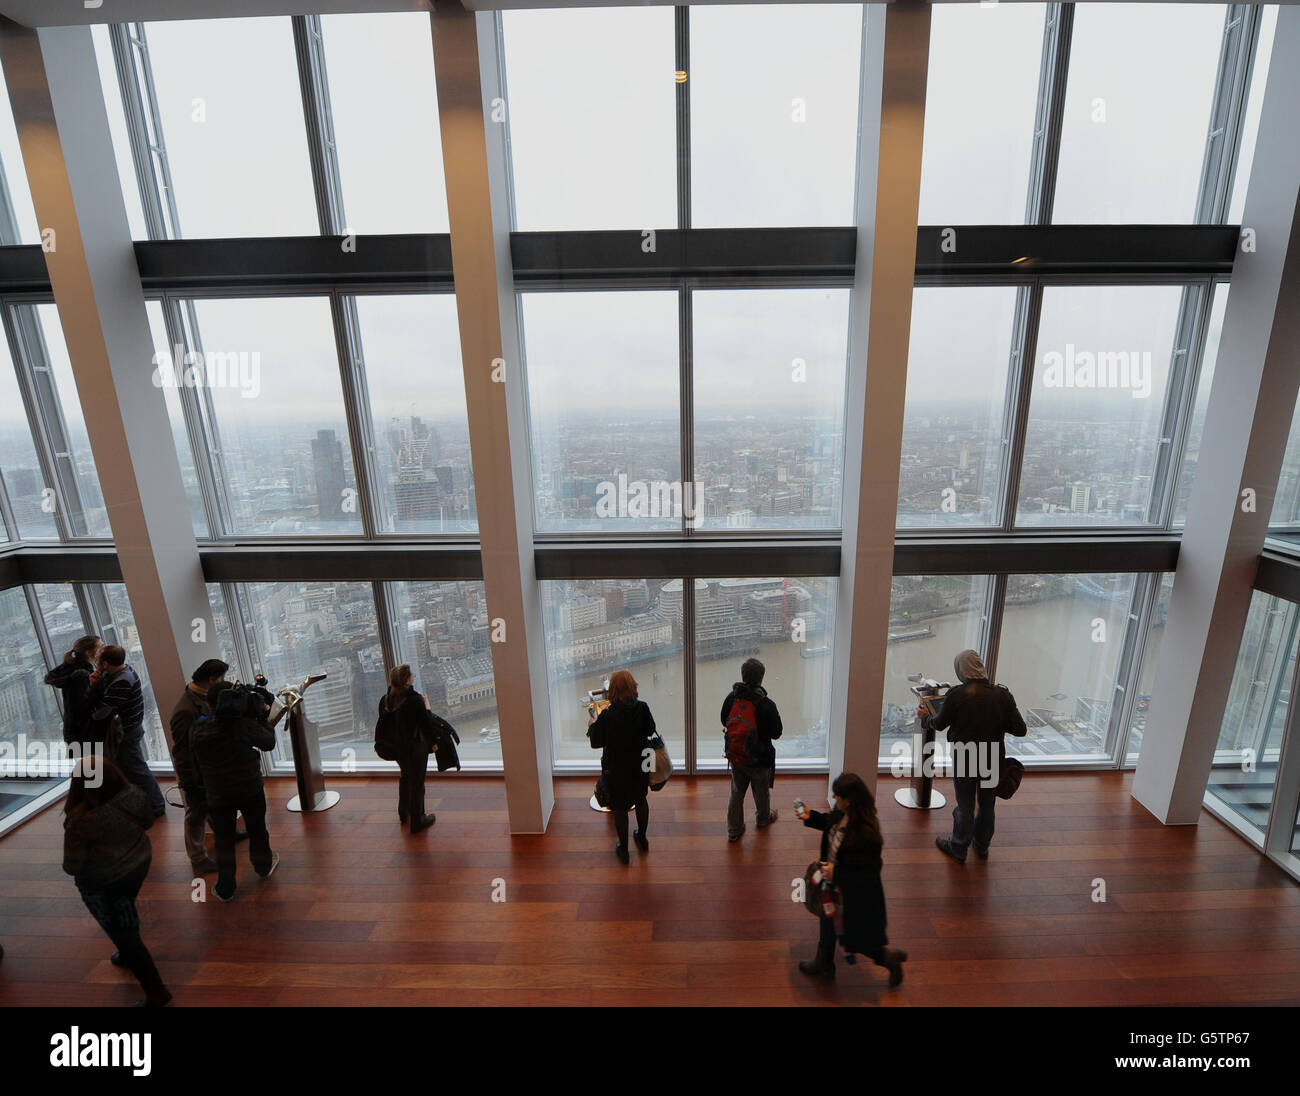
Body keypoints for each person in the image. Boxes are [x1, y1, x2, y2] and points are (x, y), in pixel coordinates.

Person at [61, 754, 171, 1007]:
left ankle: (156, 992)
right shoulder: (135, 794)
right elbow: (148, 821)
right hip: (138, 863)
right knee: (125, 907)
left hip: (104, 882)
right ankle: (127, 948)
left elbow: (72, 866)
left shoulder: (80, 821)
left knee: (123, 931)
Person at [918, 648, 1028, 864]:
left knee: (965, 803)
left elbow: (939, 724)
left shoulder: (957, 695)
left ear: (961, 670)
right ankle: (982, 846)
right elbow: (1020, 729)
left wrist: (925, 718)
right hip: (993, 757)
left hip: (965, 756)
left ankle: (958, 847)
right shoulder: (1003, 695)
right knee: (988, 804)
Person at [795, 772, 906, 986]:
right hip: (834, 886)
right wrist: (810, 816)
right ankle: (824, 961)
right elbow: (829, 823)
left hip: (852, 894)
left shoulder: (866, 834)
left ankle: (888, 959)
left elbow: (869, 872)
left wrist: (837, 873)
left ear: (849, 800)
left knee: (858, 938)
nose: (834, 799)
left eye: (838, 796)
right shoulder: (842, 813)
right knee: (828, 921)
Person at [193, 680, 278, 902]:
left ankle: (226, 886)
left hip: (217, 792)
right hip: (249, 787)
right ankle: (262, 867)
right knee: (257, 829)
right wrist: (261, 718)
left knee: (223, 840)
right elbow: (268, 742)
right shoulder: (242, 725)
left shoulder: (199, 726)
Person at [169, 659, 230, 875]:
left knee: (210, 803)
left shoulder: (201, 699)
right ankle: (197, 857)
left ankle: (224, 834)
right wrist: (189, 780)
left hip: (208, 767)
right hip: (197, 771)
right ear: (212, 679)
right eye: (222, 679)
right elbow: (183, 751)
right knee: (196, 813)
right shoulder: (185, 711)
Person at [89, 645, 164, 818]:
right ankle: (148, 804)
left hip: (126, 732)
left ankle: (156, 806)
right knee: (133, 769)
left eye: (99, 660)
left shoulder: (121, 681)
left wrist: (93, 689)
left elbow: (101, 712)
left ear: (106, 663)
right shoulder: (124, 672)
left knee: (137, 770)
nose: (96, 663)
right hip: (130, 729)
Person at [588, 669, 654, 864]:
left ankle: (624, 850)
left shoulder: (608, 715)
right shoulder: (642, 708)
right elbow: (650, 729)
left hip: (616, 768)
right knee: (641, 799)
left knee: (619, 807)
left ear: (613, 691)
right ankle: (642, 838)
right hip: (640, 764)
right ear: (633, 686)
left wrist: (592, 723)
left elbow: (596, 742)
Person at [379, 664, 451, 834]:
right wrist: (427, 705)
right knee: (417, 782)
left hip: (395, 748)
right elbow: (426, 724)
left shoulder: (386, 699)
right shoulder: (415, 700)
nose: (414, 676)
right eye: (411, 674)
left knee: (405, 776)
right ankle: (418, 820)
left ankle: (403, 813)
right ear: (406, 680)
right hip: (414, 748)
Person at [721, 657, 783, 842]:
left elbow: (724, 720)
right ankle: (763, 818)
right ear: (761, 679)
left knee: (737, 792)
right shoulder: (767, 704)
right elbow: (777, 733)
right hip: (759, 758)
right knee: (761, 790)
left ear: (743, 675)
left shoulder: (732, 697)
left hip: (737, 755)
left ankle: (734, 830)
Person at [44, 635, 102, 751]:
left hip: (75, 731)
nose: (103, 651)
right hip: (83, 733)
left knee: (91, 767)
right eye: (100, 647)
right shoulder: (82, 675)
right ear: (88, 652)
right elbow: (82, 706)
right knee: (94, 767)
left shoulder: (72, 669)